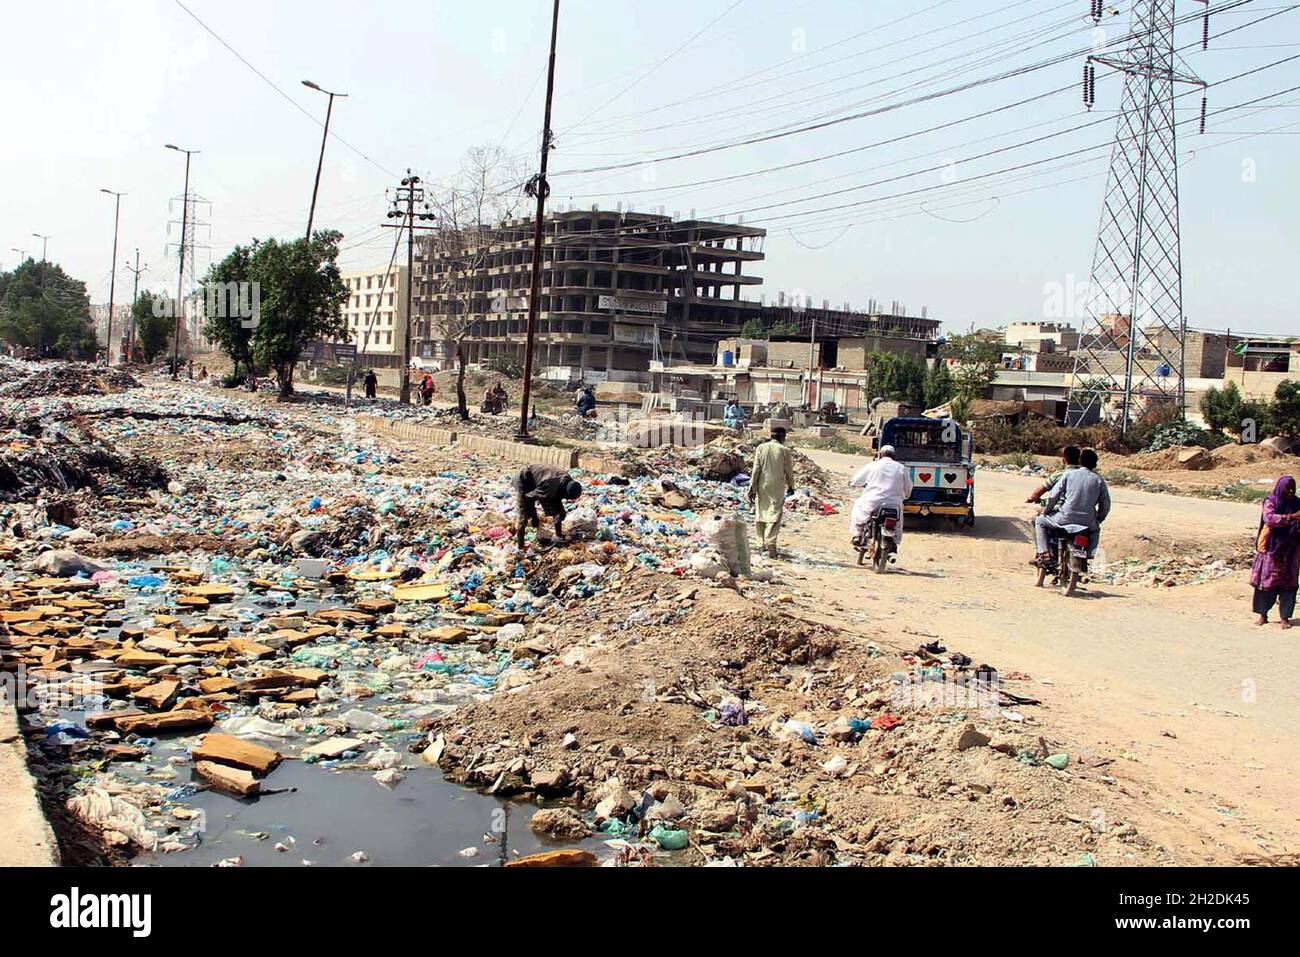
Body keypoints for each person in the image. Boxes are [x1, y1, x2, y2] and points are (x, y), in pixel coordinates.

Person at [1033, 447, 1111, 565]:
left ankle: (1044, 553)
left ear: (1080, 461)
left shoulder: (1069, 474)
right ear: (1095, 464)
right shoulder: (1099, 480)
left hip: (1064, 517)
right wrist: (1098, 519)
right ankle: (1088, 555)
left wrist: (1046, 510)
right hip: (1087, 521)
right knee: (1095, 531)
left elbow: (1054, 496)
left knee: (1039, 521)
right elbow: (1106, 504)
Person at [1251, 475, 1300, 628]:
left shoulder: (1297, 502)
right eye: (1287, 489)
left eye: (1293, 489)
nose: (1290, 492)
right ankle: (1263, 615)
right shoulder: (1271, 501)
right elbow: (1269, 518)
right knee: (1267, 583)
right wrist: (1291, 517)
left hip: (1292, 549)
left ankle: (1285, 617)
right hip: (1272, 548)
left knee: (1289, 584)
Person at [848, 444, 914, 545]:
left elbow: (858, 480)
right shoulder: (901, 468)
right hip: (894, 503)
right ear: (894, 456)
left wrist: (852, 483)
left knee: (858, 508)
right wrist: (905, 496)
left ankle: (857, 534)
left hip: (873, 501)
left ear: (880, 455)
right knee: (897, 524)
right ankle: (894, 542)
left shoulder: (873, 465)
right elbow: (908, 487)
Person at [748, 425, 796, 558]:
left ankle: (760, 542)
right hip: (777, 487)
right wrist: (791, 486)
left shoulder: (761, 448)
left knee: (761, 512)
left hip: (762, 485)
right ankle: (770, 541)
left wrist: (752, 487)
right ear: (782, 437)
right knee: (775, 514)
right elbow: (789, 471)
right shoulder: (784, 450)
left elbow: (756, 469)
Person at [515, 464, 583, 547]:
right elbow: (528, 498)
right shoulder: (549, 487)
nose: (566, 499)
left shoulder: (567, 481)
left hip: (542, 482)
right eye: (566, 497)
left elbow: (557, 504)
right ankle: (520, 548)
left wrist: (559, 535)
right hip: (524, 480)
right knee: (523, 518)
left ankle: (558, 535)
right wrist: (534, 516)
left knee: (560, 513)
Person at [1027, 445, 1082, 511]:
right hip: (1086, 515)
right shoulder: (1089, 477)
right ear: (1079, 460)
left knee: (1036, 519)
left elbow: (1039, 491)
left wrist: (1033, 498)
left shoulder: (1059, 474)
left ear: (1064, 460)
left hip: (1062, 512)